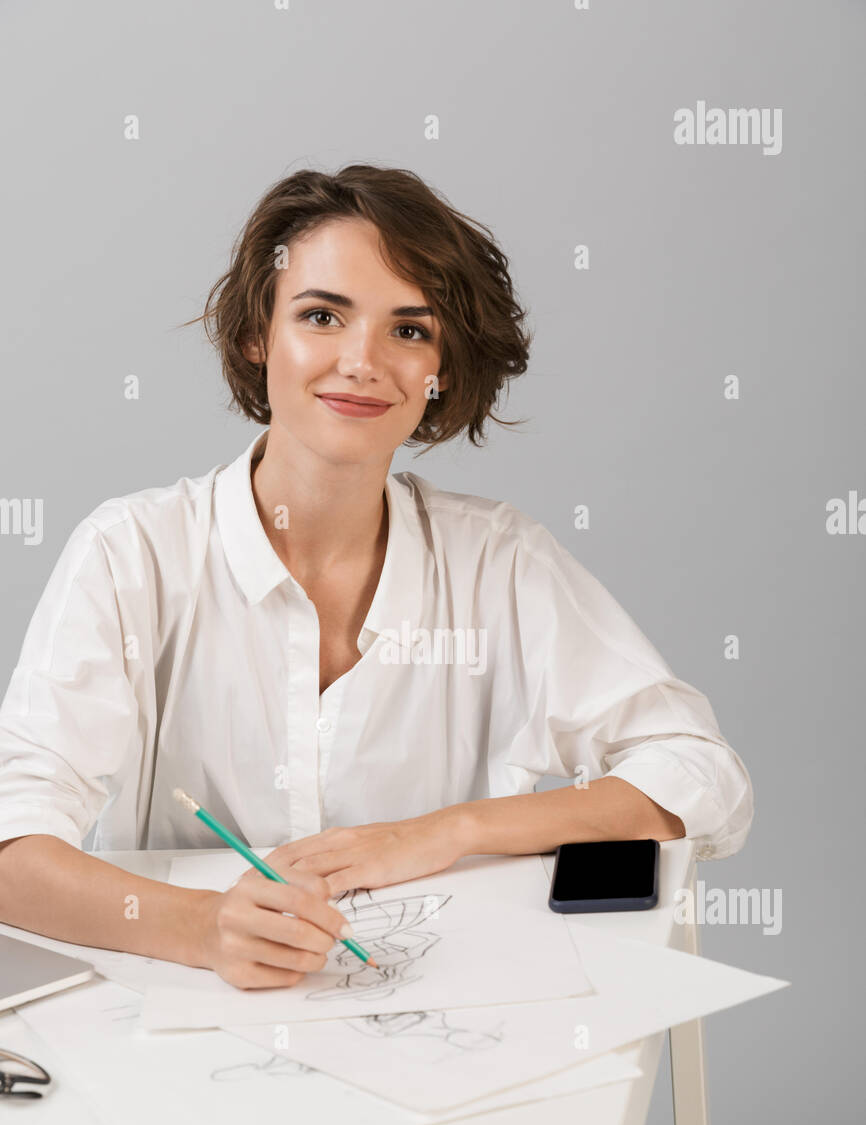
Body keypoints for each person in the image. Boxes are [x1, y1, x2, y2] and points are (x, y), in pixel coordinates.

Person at [0, 164, 754, 989]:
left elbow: (701, 775)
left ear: (442, 368)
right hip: (183, 1038)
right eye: (322, 316)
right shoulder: (131, 554)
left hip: (438, 1024)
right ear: (258, 337)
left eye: (408, 330)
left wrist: (449, 829)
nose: (361, 362)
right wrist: (204, 928)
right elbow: (11, 849)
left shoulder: (500, 561)